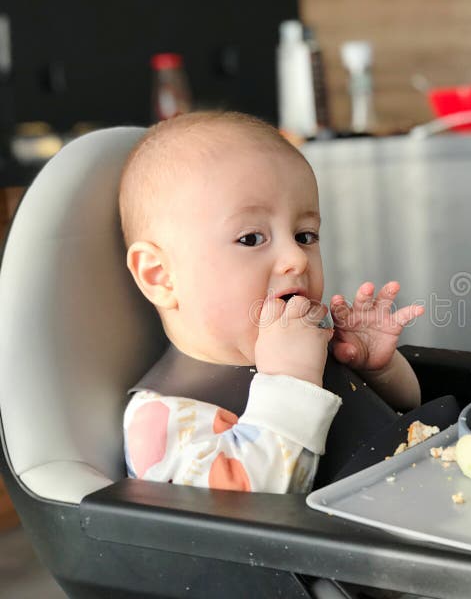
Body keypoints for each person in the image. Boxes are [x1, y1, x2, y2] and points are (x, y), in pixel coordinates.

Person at [119, 111, 427, 493]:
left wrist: (377, 370)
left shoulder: (313, 340)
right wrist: (290, 381)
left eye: (305, 235)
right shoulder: (165, 419)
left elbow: (408, 412)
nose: (297, 259)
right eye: (251, 239)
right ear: (160, 276)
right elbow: (251, 518)